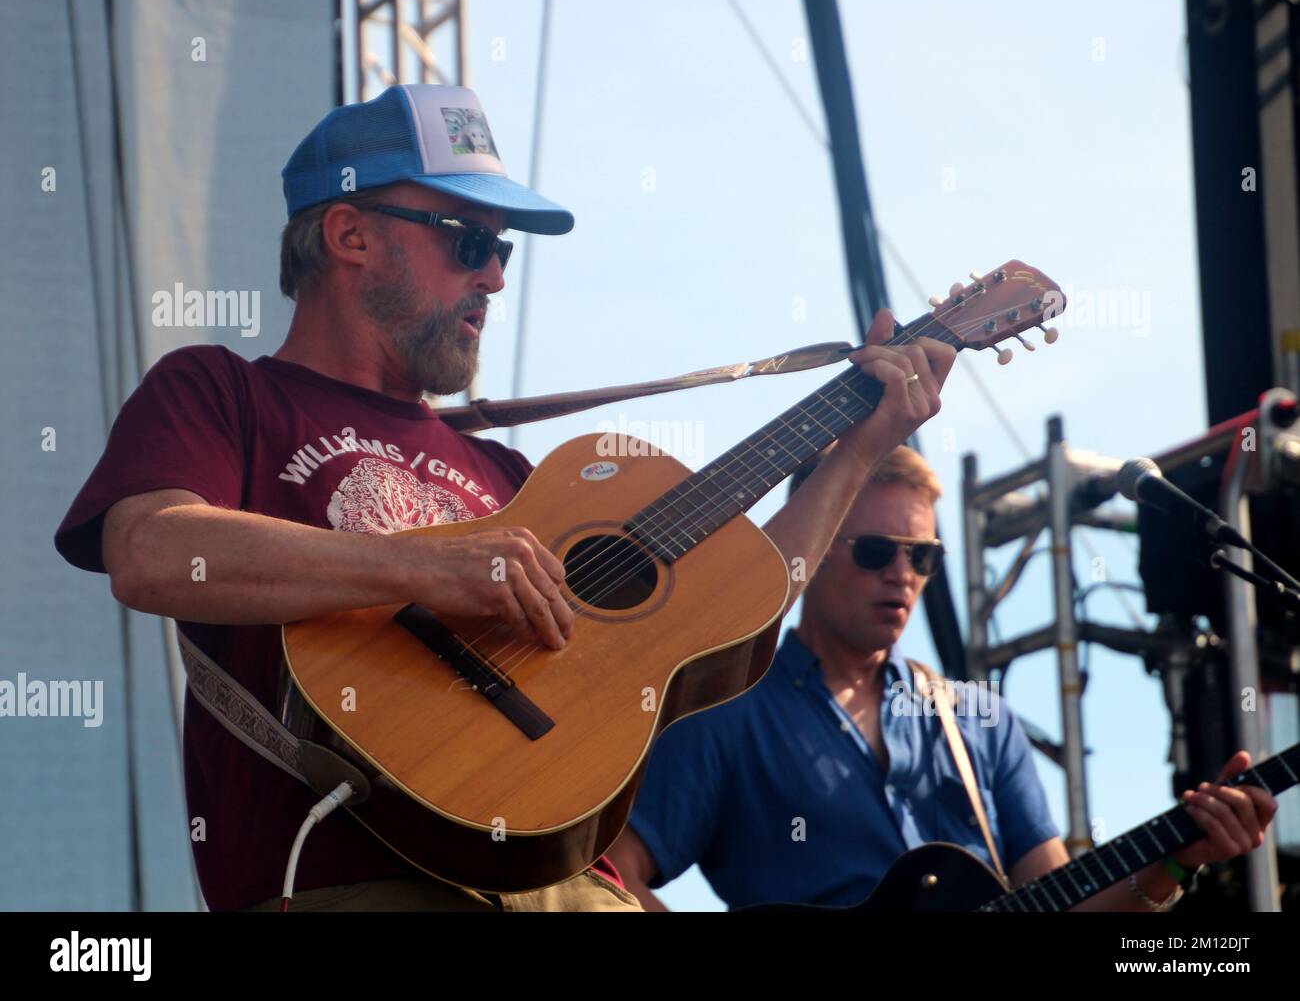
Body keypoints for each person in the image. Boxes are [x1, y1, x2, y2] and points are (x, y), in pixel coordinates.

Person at [53, 83, 956, 911]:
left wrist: (856, 448)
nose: (494, 277)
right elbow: (153, 550)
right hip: (363, 884)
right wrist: (417, 565)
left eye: (502, 252)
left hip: (574, 888)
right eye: (469, 243)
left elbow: (742, 597)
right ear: (350, 234)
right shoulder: (221, 393)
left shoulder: (518, 479)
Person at [610, 445, 1279, 911]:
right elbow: (611, 875)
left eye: (922, 555)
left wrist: (1172, 862)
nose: (902, 574)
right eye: (875, 552)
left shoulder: (979, 719)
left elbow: (1062, 902)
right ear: (809, 554)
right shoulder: (727, 707)